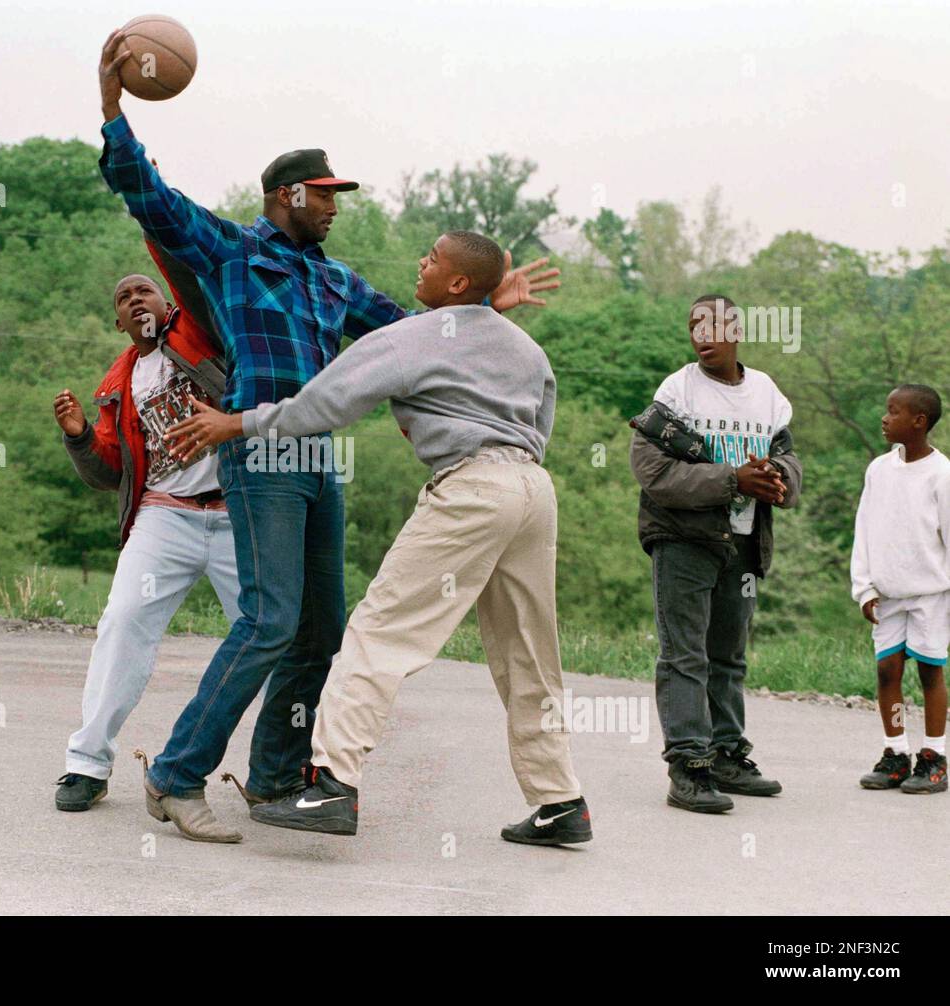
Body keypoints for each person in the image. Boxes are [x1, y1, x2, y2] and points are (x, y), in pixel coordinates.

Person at [96, 30, 560, 842]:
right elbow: (152, 199)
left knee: (321, 631)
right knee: (270, 620)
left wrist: (484, 301)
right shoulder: (236, 251)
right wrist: (113, 114)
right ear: (285, 196)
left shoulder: (335, 279)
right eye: (324, 193)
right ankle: (175, 776)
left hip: (315, 460)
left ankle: (277, 780)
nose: (336, 206)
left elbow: (422, 334)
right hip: (257, 452)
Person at [165, 231, 589, 845]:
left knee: (377, 634)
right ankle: (560, 802)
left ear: (458, 284)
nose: (421, 263)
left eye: (433, 259)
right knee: (529, 653)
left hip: (472, 489)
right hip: (531, 491)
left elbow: (323, 404)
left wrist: (239, 422)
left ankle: (331, 782)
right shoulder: (526, 348)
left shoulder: (414, 336)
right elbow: (540, 419)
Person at [53, 242, 240, 817]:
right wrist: (81, 435)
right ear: (117, 321)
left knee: (274, 636)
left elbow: (188, 277)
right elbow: (110, 472)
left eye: (145, 290)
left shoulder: (201, 332)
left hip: (238, 513)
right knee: (123, 623)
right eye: (124, 297)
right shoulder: (120, 381)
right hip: (165, 514)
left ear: (166, 302)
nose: (135, 298)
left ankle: (292, 766)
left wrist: (151, 218)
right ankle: (87, 764)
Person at [629, 294, 802, 813]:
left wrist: (778, 481)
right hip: (684, 539)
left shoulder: (766, 392)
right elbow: (652, 470)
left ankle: (726, 755)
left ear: (736, 329)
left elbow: (789, 457)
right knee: (685, 654)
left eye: (713, 325)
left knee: (728, 656)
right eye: (693, 327)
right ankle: (688, 766)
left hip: (743, 542)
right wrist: (731, 479)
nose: (702, 336)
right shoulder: (677, 391)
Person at [851, 384, 950, 794]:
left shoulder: (942, 474)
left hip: (930, 594)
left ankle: (934, 756)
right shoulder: (879, 469)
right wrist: (864, 588)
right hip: (888, 594)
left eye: (894, 412)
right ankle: (895, 753)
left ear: (919, 421)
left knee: (930, 671)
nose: (885, 418)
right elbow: (864, 528)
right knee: (887, 670)